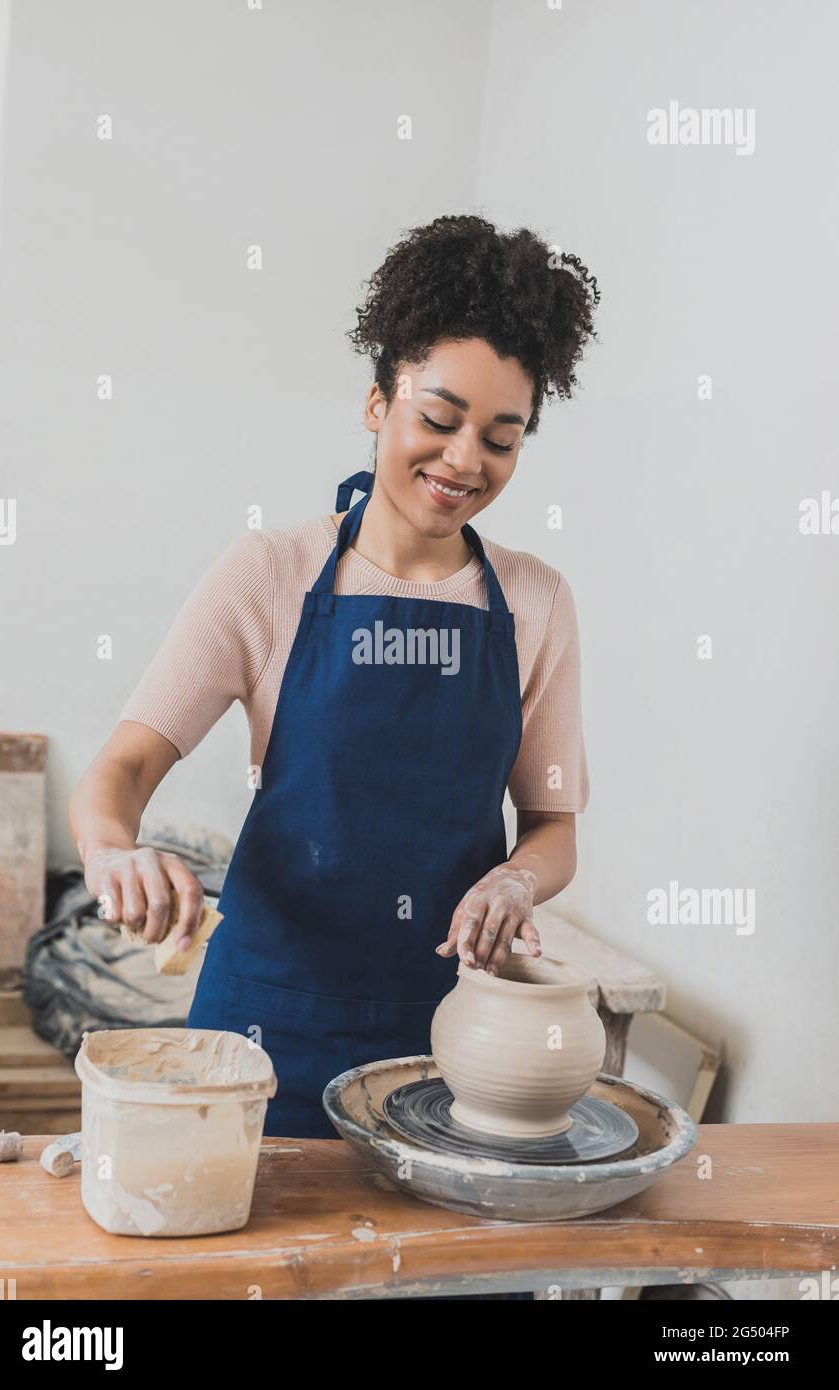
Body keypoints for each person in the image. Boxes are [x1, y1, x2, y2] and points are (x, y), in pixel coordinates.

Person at [69, 213, 599, 1151]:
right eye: (437, 419)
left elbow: (551, 828)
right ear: (374, 404)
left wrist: (517, 882)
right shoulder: (269, 572)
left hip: (455, 1039)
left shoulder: (537, 601)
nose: (464, 460)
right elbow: (119, 773)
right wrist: (114, 852)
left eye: (502, 438)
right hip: (266, 1025)